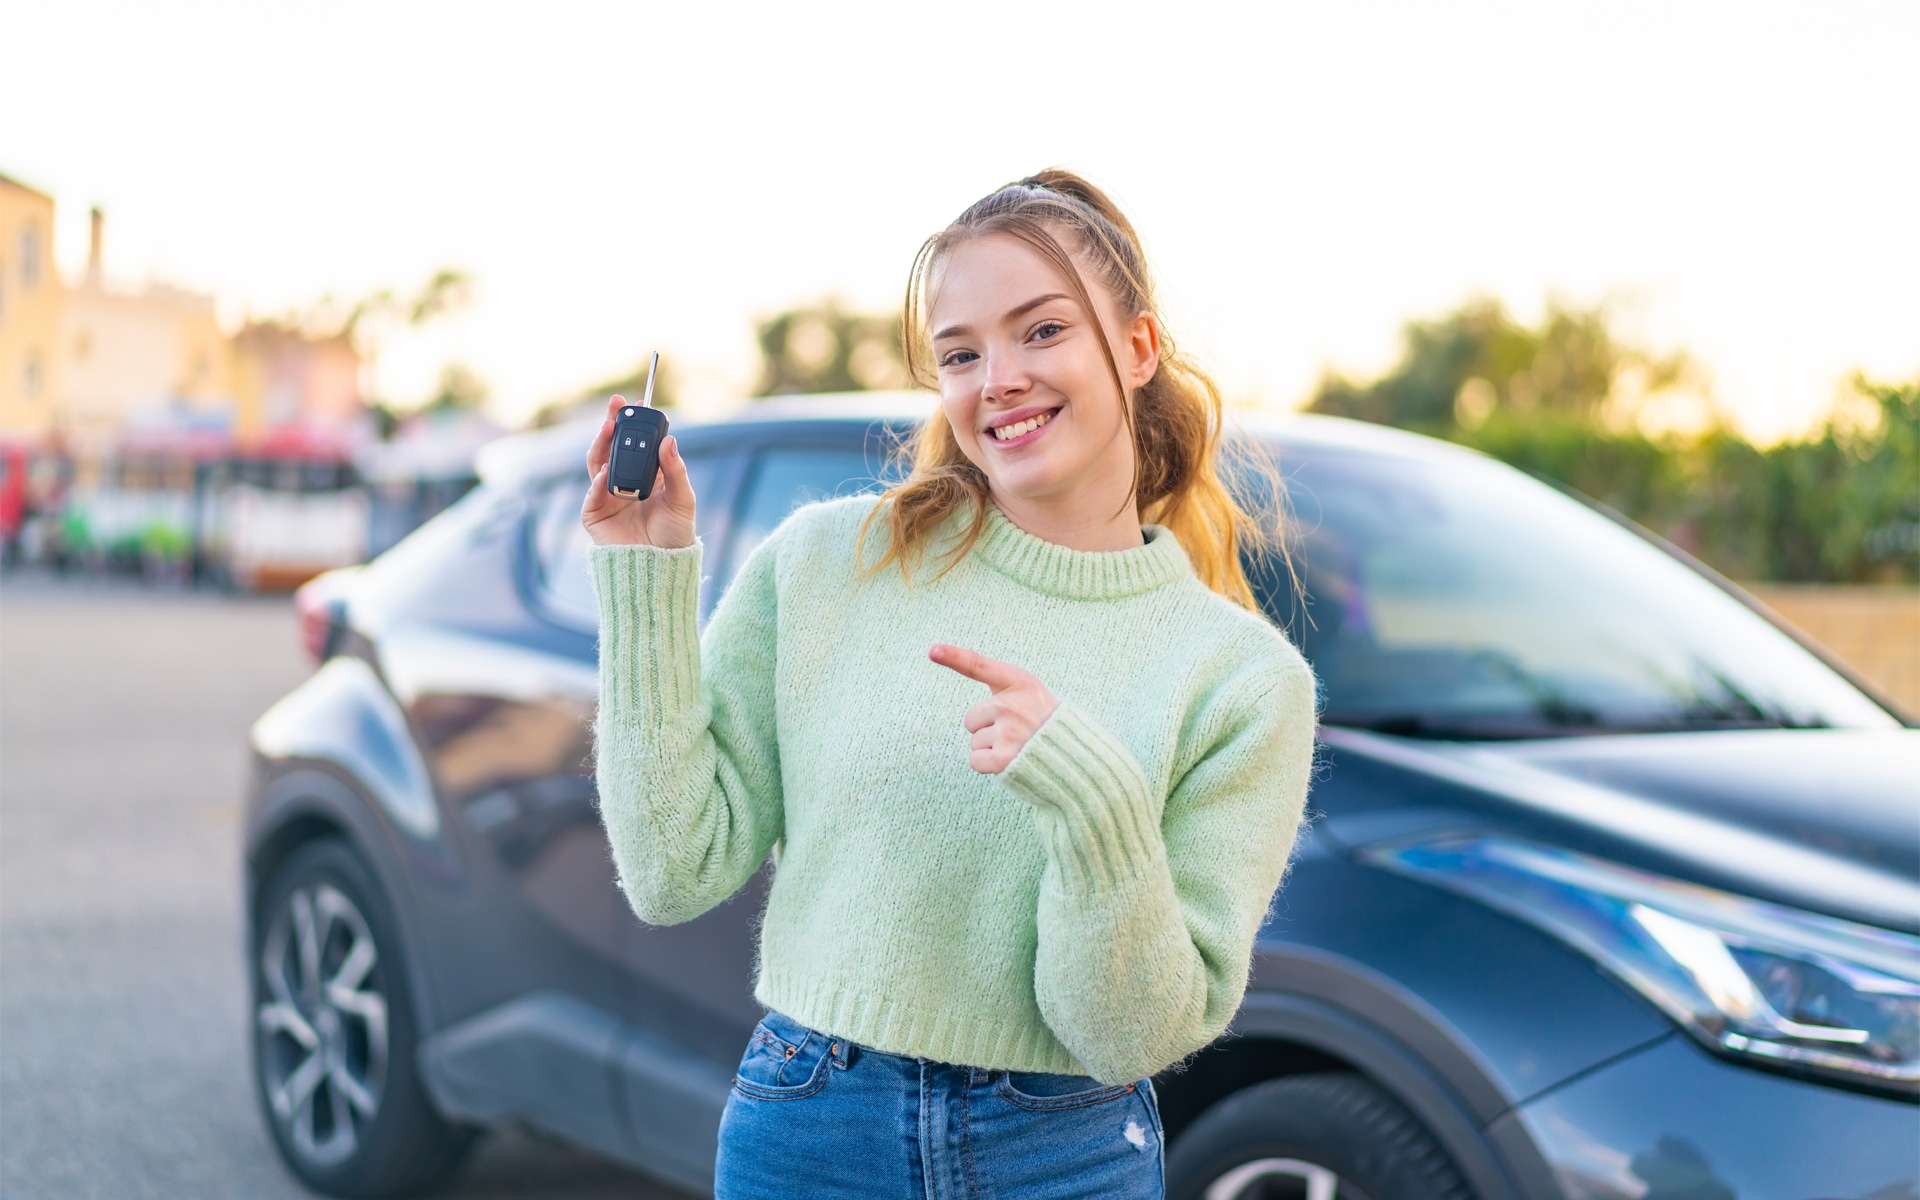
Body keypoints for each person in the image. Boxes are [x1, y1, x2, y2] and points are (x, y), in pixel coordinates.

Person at [580, 170, 1317, 1199]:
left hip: (1065, 1153)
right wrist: (645, 574)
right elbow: (673, 871)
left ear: (1139, 348)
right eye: (961, 354)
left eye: (1042, 331)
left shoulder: (1243, 683)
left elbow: (1127, 1035)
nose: (998, 378)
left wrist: (1090, 800)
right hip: (811, 1125)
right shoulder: (827, 567)